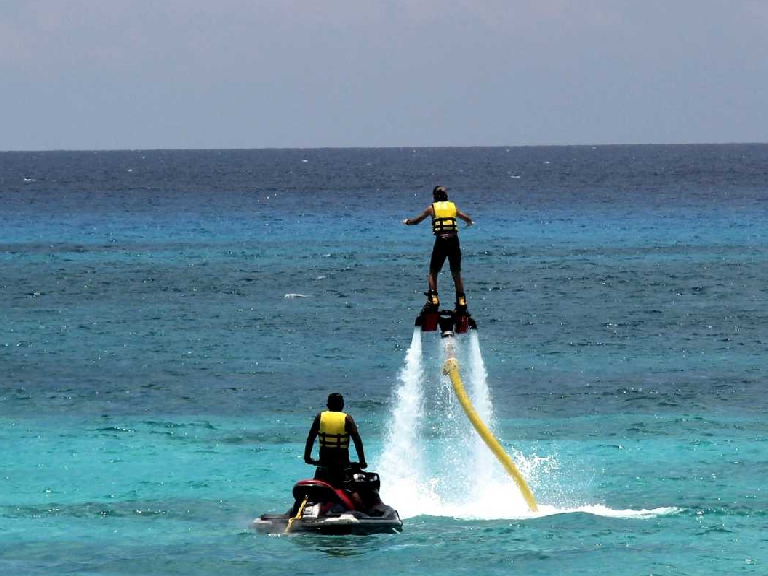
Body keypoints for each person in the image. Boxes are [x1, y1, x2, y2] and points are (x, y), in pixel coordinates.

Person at [403, 185, 474, 311]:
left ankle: (433, 299)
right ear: (446, 196)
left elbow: (417, 221)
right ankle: (461, 301)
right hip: (454, 241)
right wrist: (469, 222)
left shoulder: (432, 208)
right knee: (456, 273)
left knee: (433, 272)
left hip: (441, 241)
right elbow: (466, 218)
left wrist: (408, 222)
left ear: (434, 196)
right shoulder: (453, 207)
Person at [304, 393, 367, 488]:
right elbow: (357, 442)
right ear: (342, 405)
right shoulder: (347, 418)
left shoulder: (320, 417)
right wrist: (362, 462)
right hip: (342, 466)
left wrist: (307, 457)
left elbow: (310, 439)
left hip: (324, 465)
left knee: (316, 486)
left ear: (328, 405)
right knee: (352, 491)